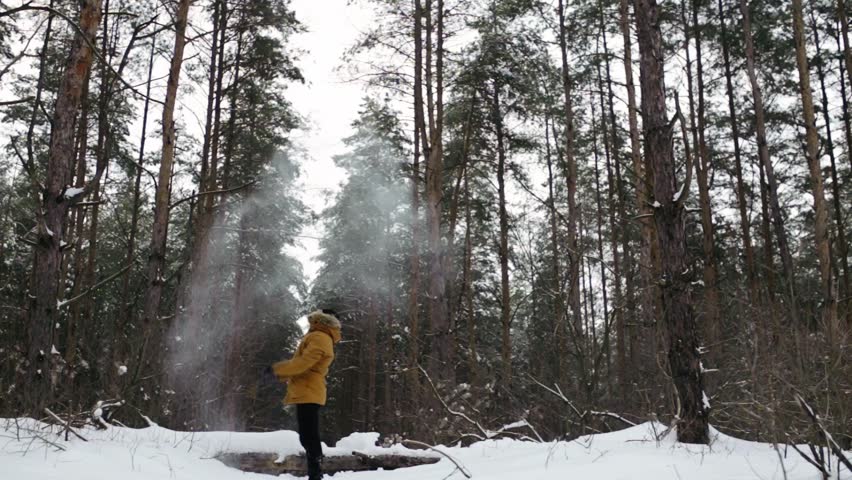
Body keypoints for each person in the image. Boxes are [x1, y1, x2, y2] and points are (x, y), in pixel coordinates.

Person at [268, 309, 341, 480]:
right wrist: (281, 374)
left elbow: (303, 364)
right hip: (308, 390)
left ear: (322, 320)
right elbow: (302, 365)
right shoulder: (320, 335)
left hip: (309, 390)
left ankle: (316, 474)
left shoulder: (320, 337)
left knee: (309, 436)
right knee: (307, 435)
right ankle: (315, 472)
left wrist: (275, 371)